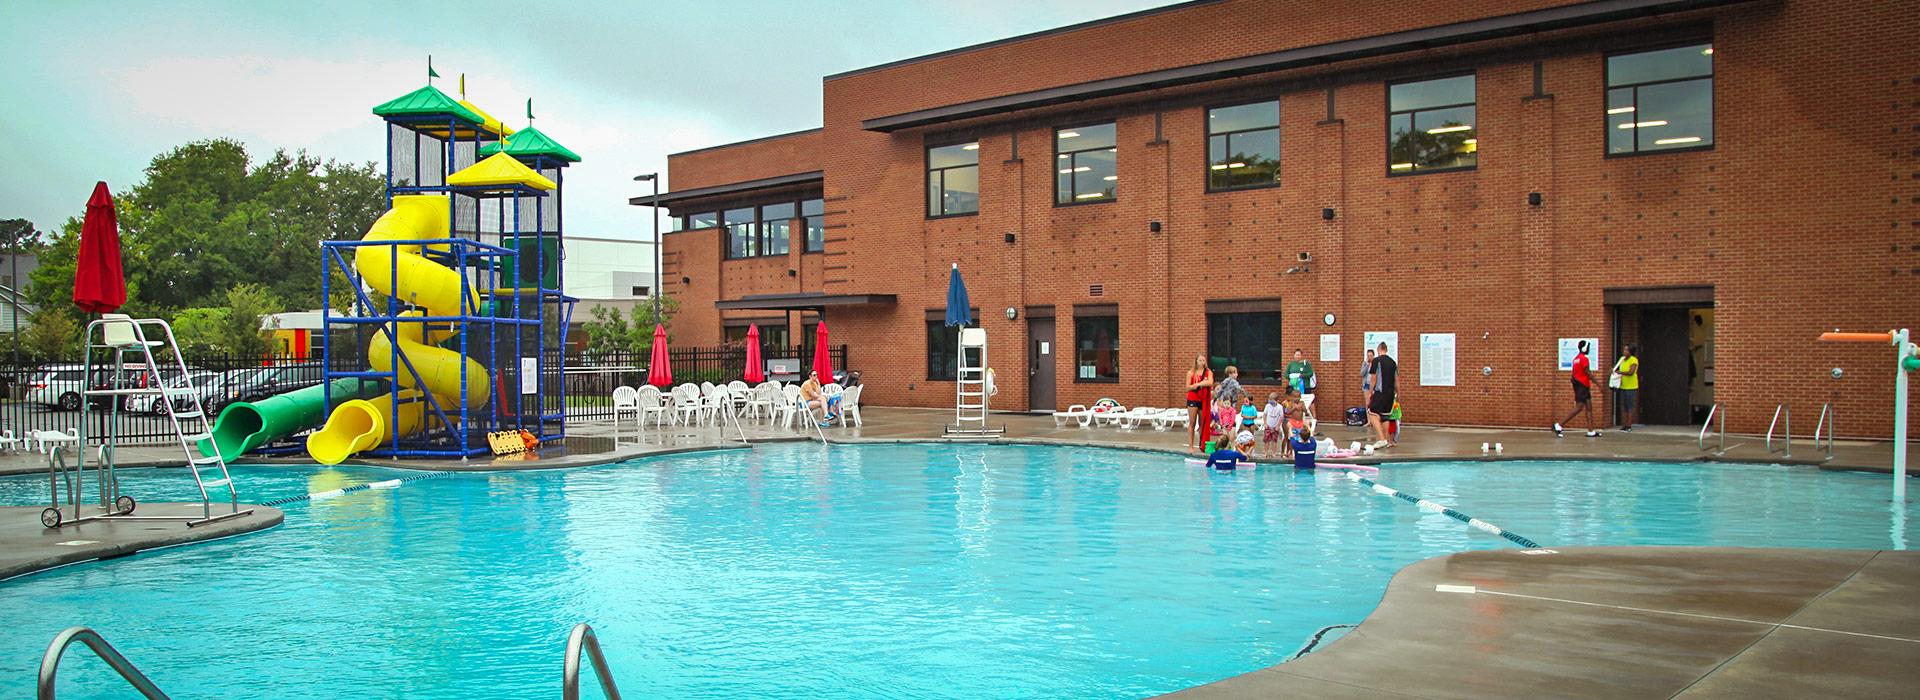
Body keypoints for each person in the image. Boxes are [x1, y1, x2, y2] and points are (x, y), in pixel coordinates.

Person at [1554, 341, 1602, 438]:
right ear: (1584, 348)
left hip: (1581, 385)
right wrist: (1598, 384)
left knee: (1589, 407)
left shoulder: (1576, 359)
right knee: (1579, 407)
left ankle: (1591, 431)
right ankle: (1559, 425)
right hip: (1582, 386)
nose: (1589, 349)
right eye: (1588, 347)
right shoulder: (1584, 359)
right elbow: (1588, 373)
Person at [1367, 342, 1398, 448]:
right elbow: (1396, 381)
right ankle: (1387, 440)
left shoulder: (1377, 361)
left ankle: (1381, 438)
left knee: (1371, 413)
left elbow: (1373, 378)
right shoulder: (1393, 362)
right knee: (1385, 417)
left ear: (1379, 349)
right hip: (1390, 394)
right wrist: (1398, 394)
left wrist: (1370, 391)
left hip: (1380, 392)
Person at [1184, 355, 1215, 453]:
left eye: (1203, 360)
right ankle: (1191, 445)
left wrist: (1198, 384)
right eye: (1200, 360)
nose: (1202, 362)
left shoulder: (1208, 372)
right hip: (1193, 399)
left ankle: (1202, 444)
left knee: (1202, 422)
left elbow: (1210, 382)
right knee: (1192, 422)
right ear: (1196, 361)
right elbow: (1188, 387)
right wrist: (1198, 384)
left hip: (1203, 399)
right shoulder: (1191, 373)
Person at [1613, 344, 1640, 432]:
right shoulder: (1622, 360)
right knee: (1624, 406)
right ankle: (1625, 424)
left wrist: (1620, 372)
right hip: (1623, 385)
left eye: (1626, 350)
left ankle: (1629, 425)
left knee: (1630, 406)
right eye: (1624, 350)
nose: (1624, 352)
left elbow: (1631, 372)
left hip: (1631, 386)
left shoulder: (1633, 360)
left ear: (1630, 352)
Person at [1285, 349, 1317, 419]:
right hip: (1294, 387)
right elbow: (1286, 374)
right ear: (1294, 355)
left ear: (1301, 356)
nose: (1297, 356)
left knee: (1310, 400)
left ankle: (1314, 417)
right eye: (1296, 355)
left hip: (1305, 386)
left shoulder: (1306, 364)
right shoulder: (1291, 364)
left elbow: (1310, 373)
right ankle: (1295, 416)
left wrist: (1302, 375)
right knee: (1294, 400)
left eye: (1299, 355)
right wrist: (1291, 376)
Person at [1262, 392, 1285, 458]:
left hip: (1275, 426)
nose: (1270, 402)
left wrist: (1278, 426)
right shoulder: (1267, 406)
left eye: (1272, 400)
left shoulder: (1280, 407)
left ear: (1277, 401)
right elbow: (1265, 415)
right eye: (1269, 400)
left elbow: (1281, 417)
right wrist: (1265, 423)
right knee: (1266, 440)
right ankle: (1265, 452)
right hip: (1268, 426)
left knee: (1274, 440)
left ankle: (1273, 452)